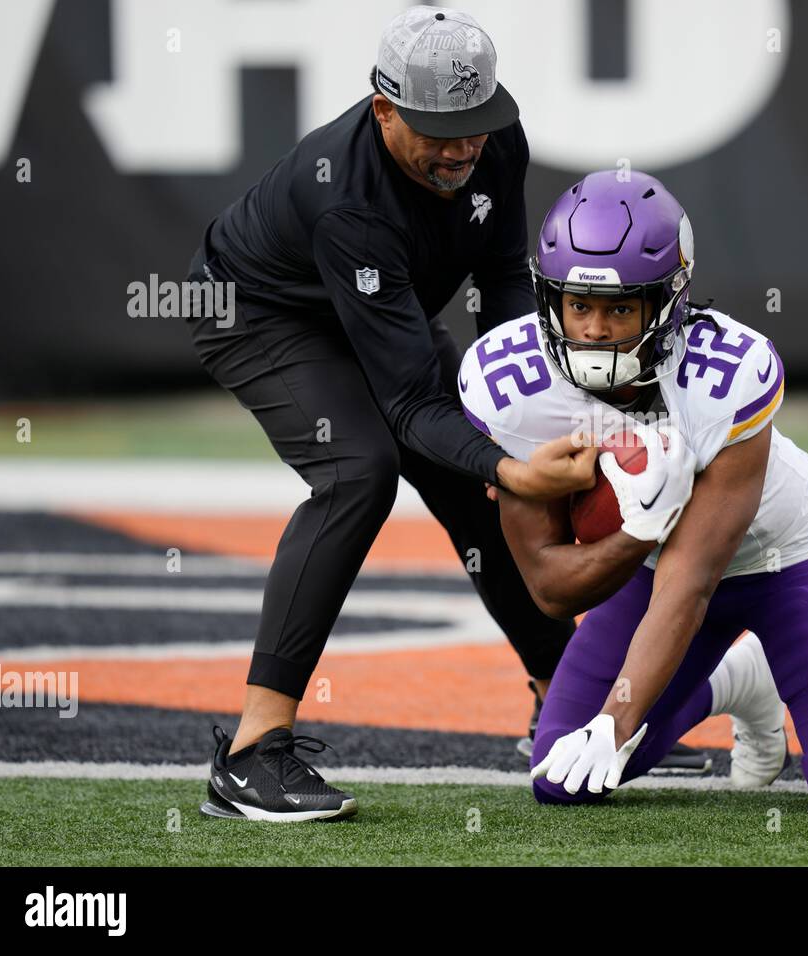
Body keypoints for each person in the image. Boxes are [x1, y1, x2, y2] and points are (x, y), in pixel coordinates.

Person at [458, 170, 808, 810]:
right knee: (560, 776)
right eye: (579, 305)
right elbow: (551, 590)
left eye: (619, 307)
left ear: (667, 302)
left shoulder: (725, 376)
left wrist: (615, 723)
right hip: (653, 568)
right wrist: (639, 533)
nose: (597, 330)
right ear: (549, 299)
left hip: (788, 555)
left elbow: (692, 582)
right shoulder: (515, 388)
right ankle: (743, 682)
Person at [185, 6, 599, 822]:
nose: (459, 150)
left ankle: (565, 706)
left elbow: (505, 284)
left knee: (477, 477)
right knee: (358, 471)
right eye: (437, 129)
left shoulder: (496, 137)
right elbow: (408, 406)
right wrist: (515, 464)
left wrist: (524, 415)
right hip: (257, 311)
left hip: (374, 306)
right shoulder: (349, 203)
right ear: (383, 109)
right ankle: (250, 754)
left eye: (471, 126)